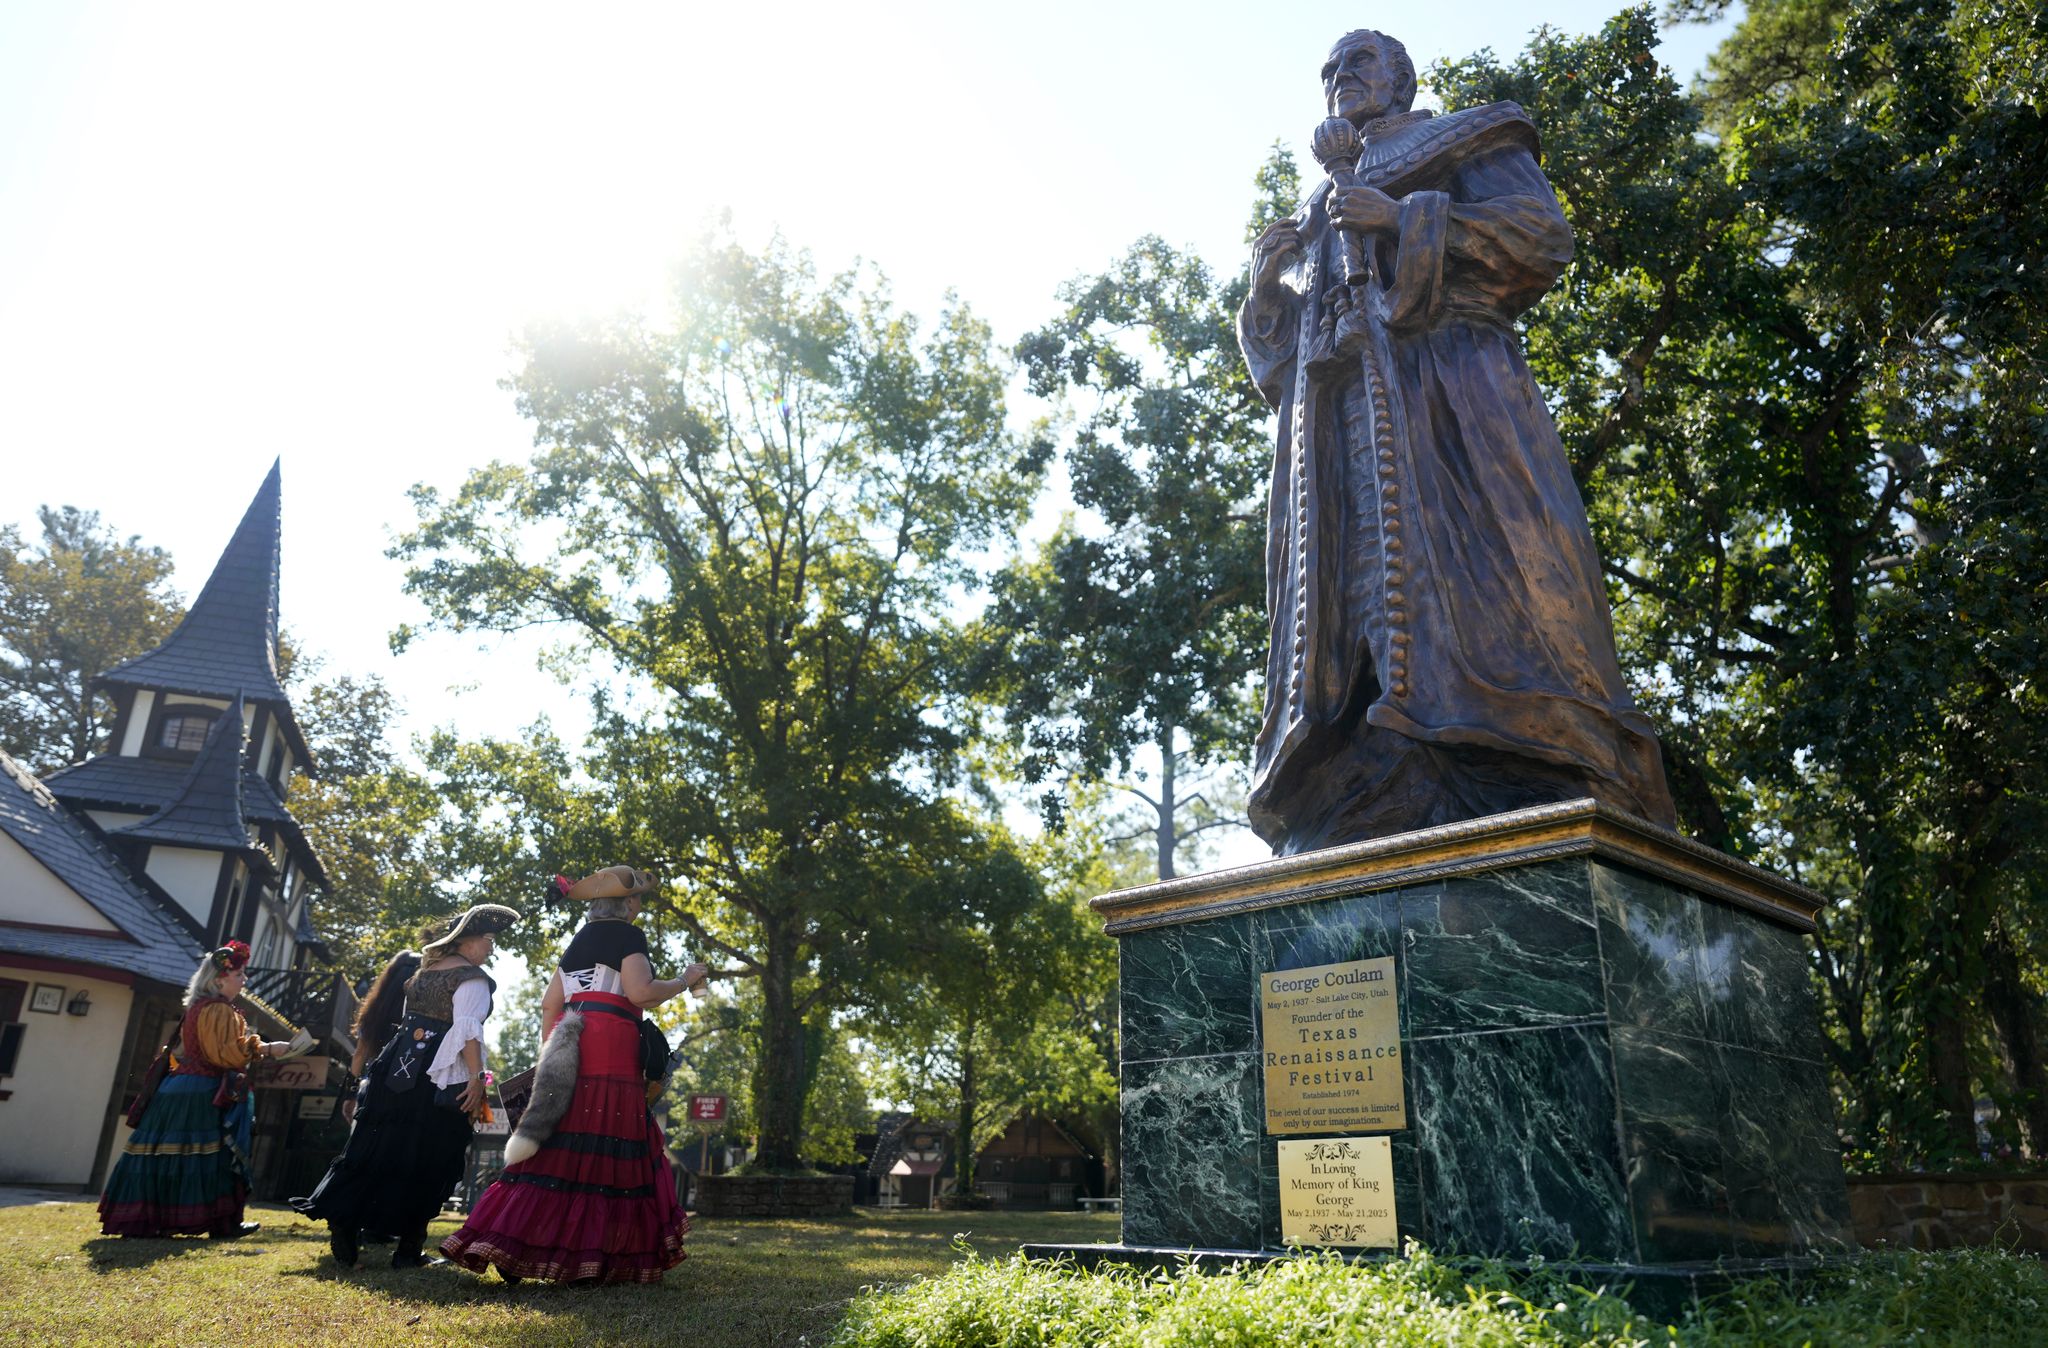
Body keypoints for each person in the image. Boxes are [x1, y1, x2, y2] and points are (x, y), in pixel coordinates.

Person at [1237, 28, 1677, 853]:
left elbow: (1538, 239)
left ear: (1402, 80)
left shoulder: (1470, 135)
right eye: (1328, 69)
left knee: (1503, 581)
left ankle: (1543, 753)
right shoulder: (1312, 210)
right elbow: (1285, 359)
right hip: (1337, 442)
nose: (1341, 78)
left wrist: (1403, 218)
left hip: (1452, 402)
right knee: (1347, 614)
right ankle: (1368, 768)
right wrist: (1269, 285)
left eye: (1360, 63)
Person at [439, 866, 707, 1285]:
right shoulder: (629, 937)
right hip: (612, 1043)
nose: (639, 906)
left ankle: (513, 1247)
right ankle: (590, 1259)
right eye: (637, 899)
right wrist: (684, 980)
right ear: (628, 904)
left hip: (571, 1041)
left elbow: (550, 1005)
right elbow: (641, 994)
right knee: (608, 1141)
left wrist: (552, 1055)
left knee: (558, 1146)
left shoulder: (578, 941)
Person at [292, 904, 520, 1268]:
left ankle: (348, 1218)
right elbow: (467, 1032)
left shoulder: (424, 972)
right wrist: (478, 1079)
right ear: (467, 940)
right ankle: (408, 1250)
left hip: (394, 1072)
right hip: (438, 1078)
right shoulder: (472, 979)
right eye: (488, 940)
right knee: (432, 1155)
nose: (491, 948)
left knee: (379, 1148)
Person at [99, 941, 294, 1238]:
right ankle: (220, 1223)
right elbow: (226, 1054)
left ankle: (154, 1220)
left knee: (167, 1156)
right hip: (202, 1091)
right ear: (219, 979)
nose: (245, 980)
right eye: (239, 974)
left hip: (178, 1088)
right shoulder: (217, 1010)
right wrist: (267, 1049)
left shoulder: (200, 1008)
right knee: (212, 1154)